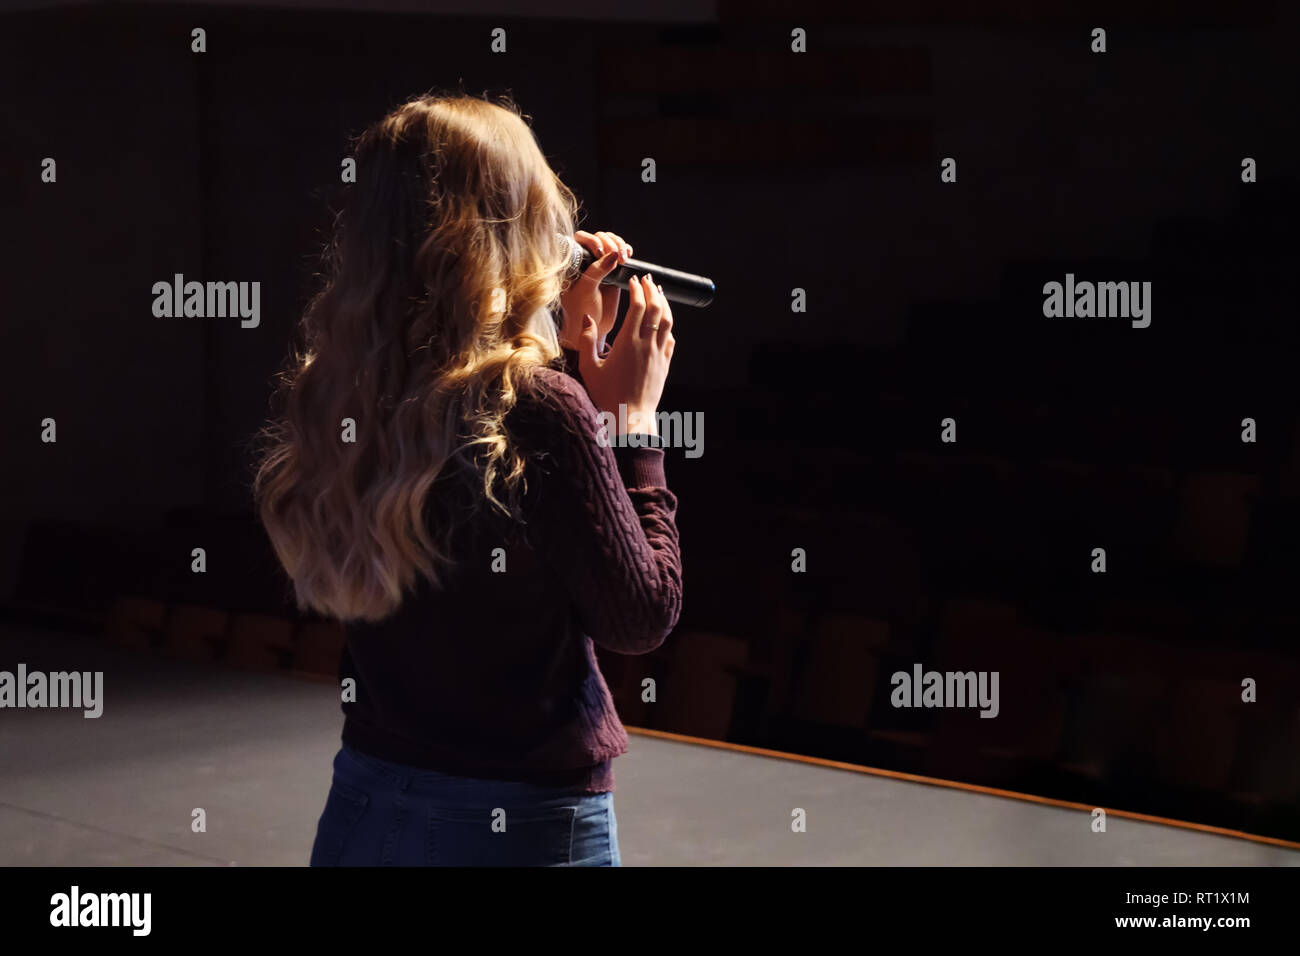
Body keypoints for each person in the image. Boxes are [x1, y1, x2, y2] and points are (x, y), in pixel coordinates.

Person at [251, 92, 683, 866]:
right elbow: (639, 617)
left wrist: (567, 355)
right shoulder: (541, 408)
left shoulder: (340, 390)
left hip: (368, 800)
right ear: (520, 230)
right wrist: (633, 421)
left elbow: (478, 459)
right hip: (517, 825)